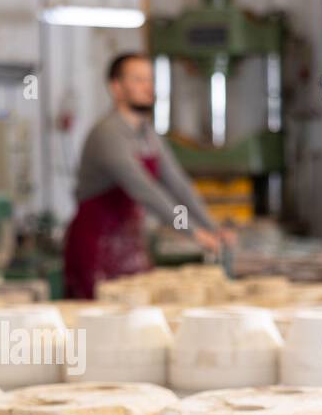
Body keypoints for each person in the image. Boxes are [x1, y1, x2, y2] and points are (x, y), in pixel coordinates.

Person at [63, 52, 235, 299]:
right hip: (96, 245)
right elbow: (145, 190)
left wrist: (212, 227)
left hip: (129, 243)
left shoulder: (148, 134)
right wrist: (194, 233)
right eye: (138, 79)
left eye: (150, 80)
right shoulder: (107, 134)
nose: (148, 87)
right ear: (116, 88)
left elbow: (178, 185)